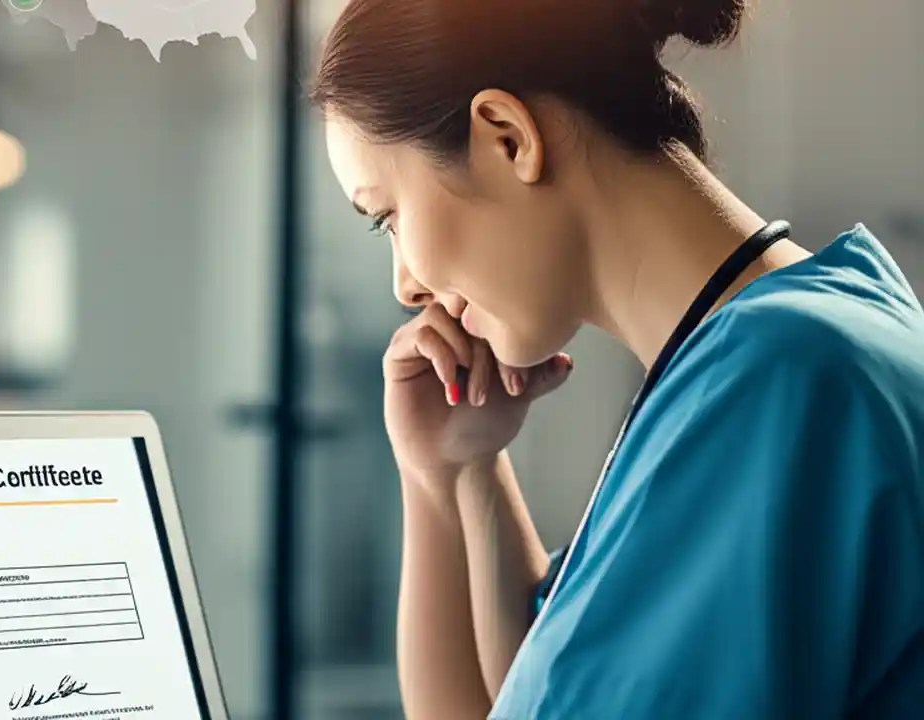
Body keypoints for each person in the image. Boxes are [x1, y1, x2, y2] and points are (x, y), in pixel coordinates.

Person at [308, 0, 924, 717]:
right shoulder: (786, 348)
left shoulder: (778, 389)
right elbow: (535, 693)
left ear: (507, 139)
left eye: (388, 216)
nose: (406, 287)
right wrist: (448, 469)